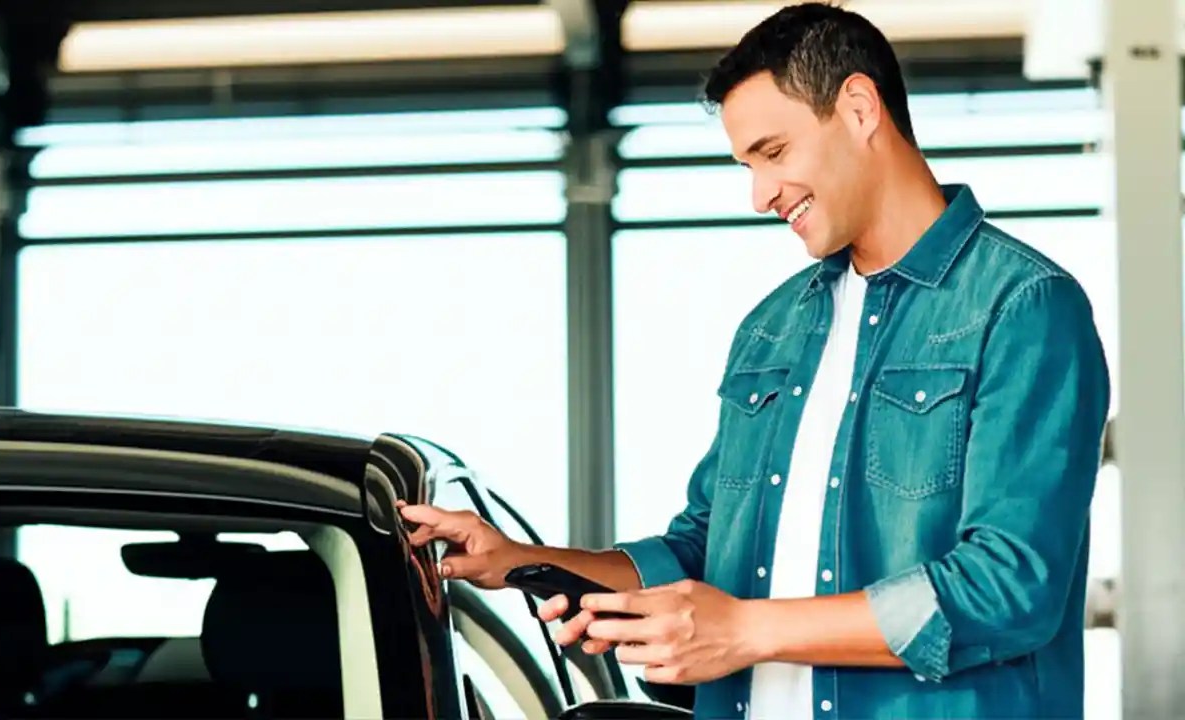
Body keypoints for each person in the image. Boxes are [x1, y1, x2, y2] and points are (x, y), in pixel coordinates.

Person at [400, 3, 1110, 718]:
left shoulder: (1021, 307)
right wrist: (519, 560)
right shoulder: (772, 330)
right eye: (748, 165)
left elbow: (1009, 588)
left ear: (860, 109)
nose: (760, 194)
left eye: (774, 153)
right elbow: (706, 553)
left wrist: (745, 630)